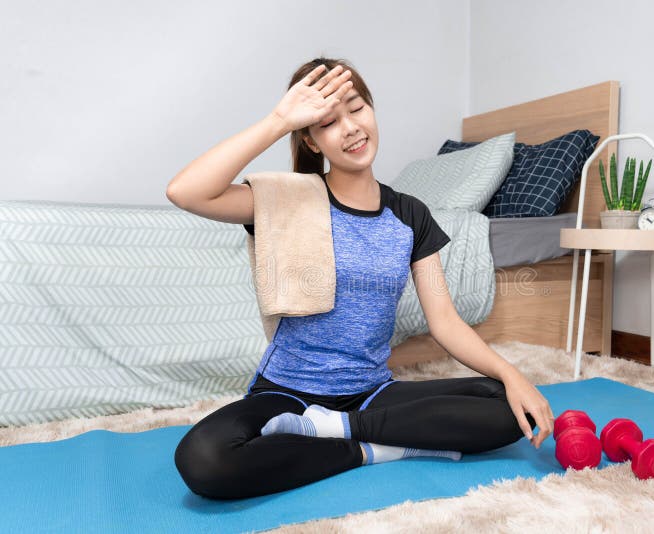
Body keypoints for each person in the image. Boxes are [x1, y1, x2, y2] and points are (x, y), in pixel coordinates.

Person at [167, 57, 555, 500]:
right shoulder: (288, 199)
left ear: (372, 110)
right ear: (311, 142)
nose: (350, 127)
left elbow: (444, 321)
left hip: (371, 395)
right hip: (289, 394)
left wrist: (513, 376)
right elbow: (187, 191)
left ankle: (340, 431)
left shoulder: (410, 214)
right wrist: (280, 120)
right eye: (328, 122)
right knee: (205, 459)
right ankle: (372, 449)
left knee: (506, 407)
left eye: (356, 108)